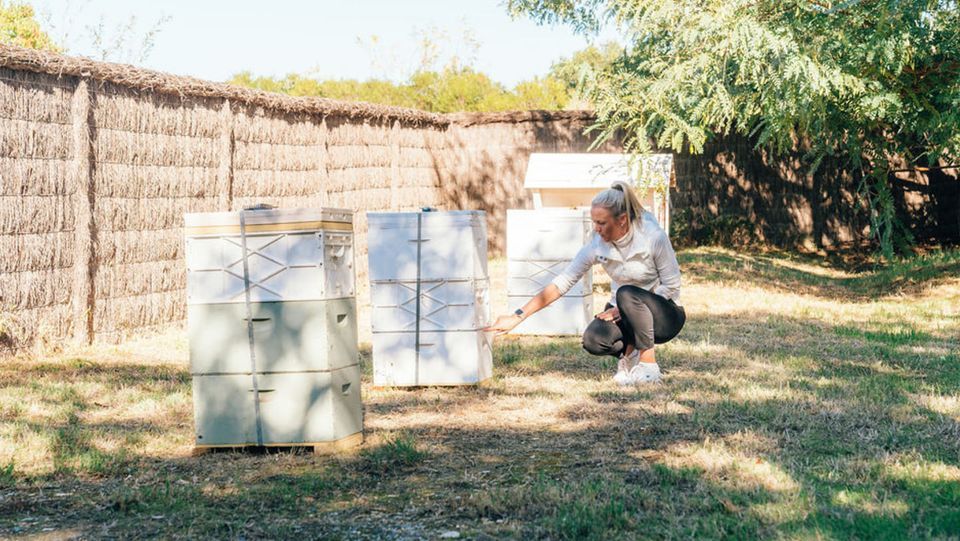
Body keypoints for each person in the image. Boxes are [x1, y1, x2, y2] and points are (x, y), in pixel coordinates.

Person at [486, 181, 685, 385]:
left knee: (626, 294)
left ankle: (649, 366)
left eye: (602, 223)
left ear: (623, 220)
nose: (596, 228)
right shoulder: (596, 245)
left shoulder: (653, 237)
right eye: (594, 222)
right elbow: (563, 282)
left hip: (666, 315)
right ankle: (630, 358)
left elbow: (671, 285)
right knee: (594, 340)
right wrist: (517, 316)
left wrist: (627, 308)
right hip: (624, 310)